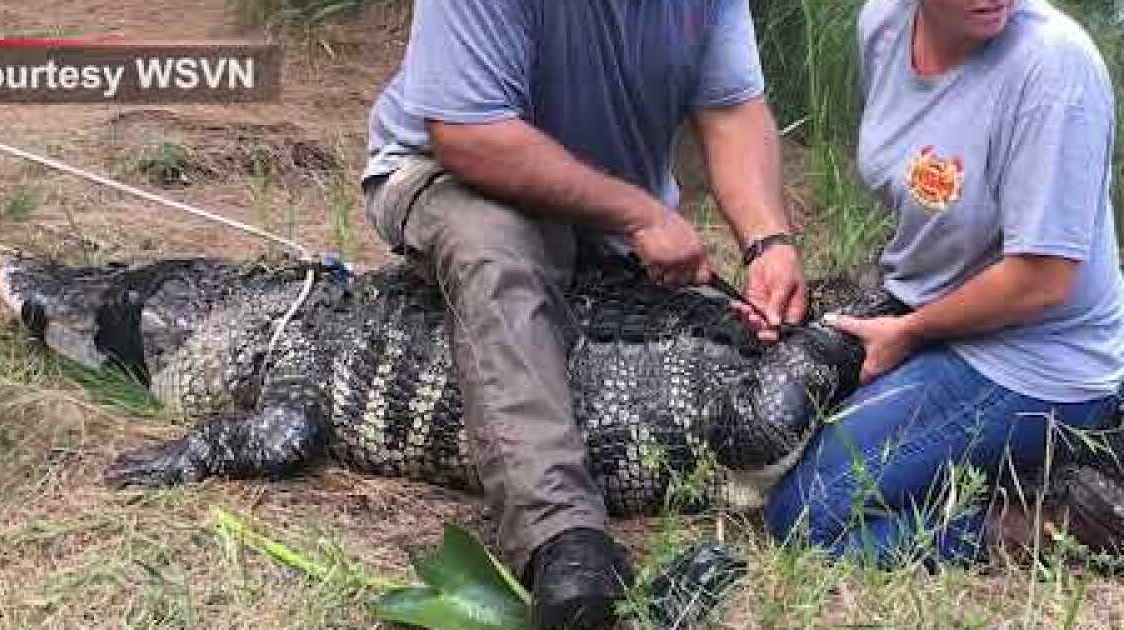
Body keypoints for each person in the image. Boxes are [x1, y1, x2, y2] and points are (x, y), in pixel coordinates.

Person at [361, 1, 806, 626]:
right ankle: (561, 539)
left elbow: (729, 106)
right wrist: (643, 214)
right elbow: (468, 133)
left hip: (604, 213)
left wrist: (767, 240)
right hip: (453, 175)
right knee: (498, 250)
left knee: (713, 332)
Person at [766, 0, 1124, 568]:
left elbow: (1043, 280)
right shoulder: (882, 24)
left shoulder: (1054, 66)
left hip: (1039, 356)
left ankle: (1048, 525)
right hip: (934, 318)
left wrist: (908, 331)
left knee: (808, 516)